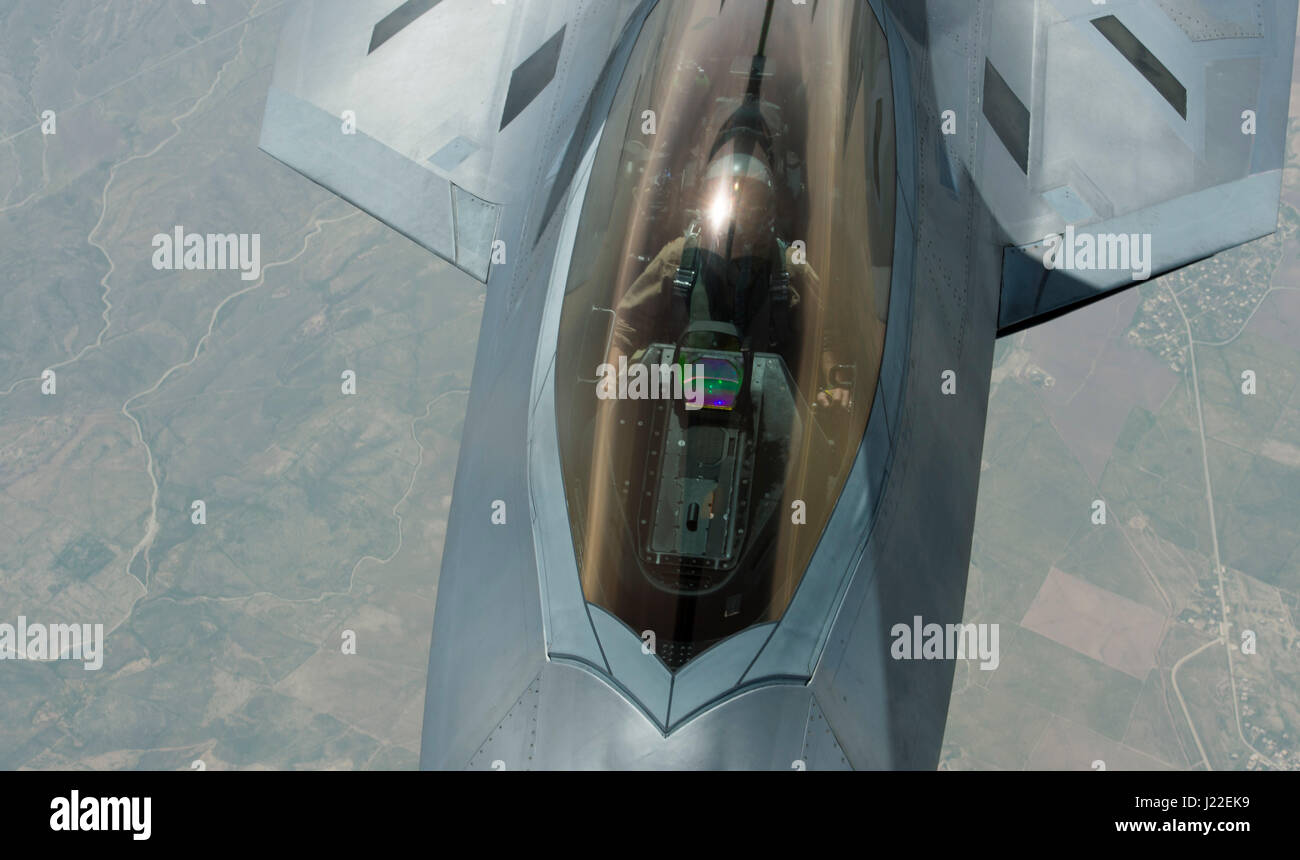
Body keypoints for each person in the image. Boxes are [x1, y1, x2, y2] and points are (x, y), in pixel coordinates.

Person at [609, 142, 851, 409]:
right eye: (731, 198)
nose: (739, 213)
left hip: (762, 411)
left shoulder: (789, 266)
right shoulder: (679, 258)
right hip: (681, 403)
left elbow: (824, 333)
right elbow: (627, 327)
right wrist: (614, 378)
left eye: (751, 202)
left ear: (767, 208)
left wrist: (834, 385)